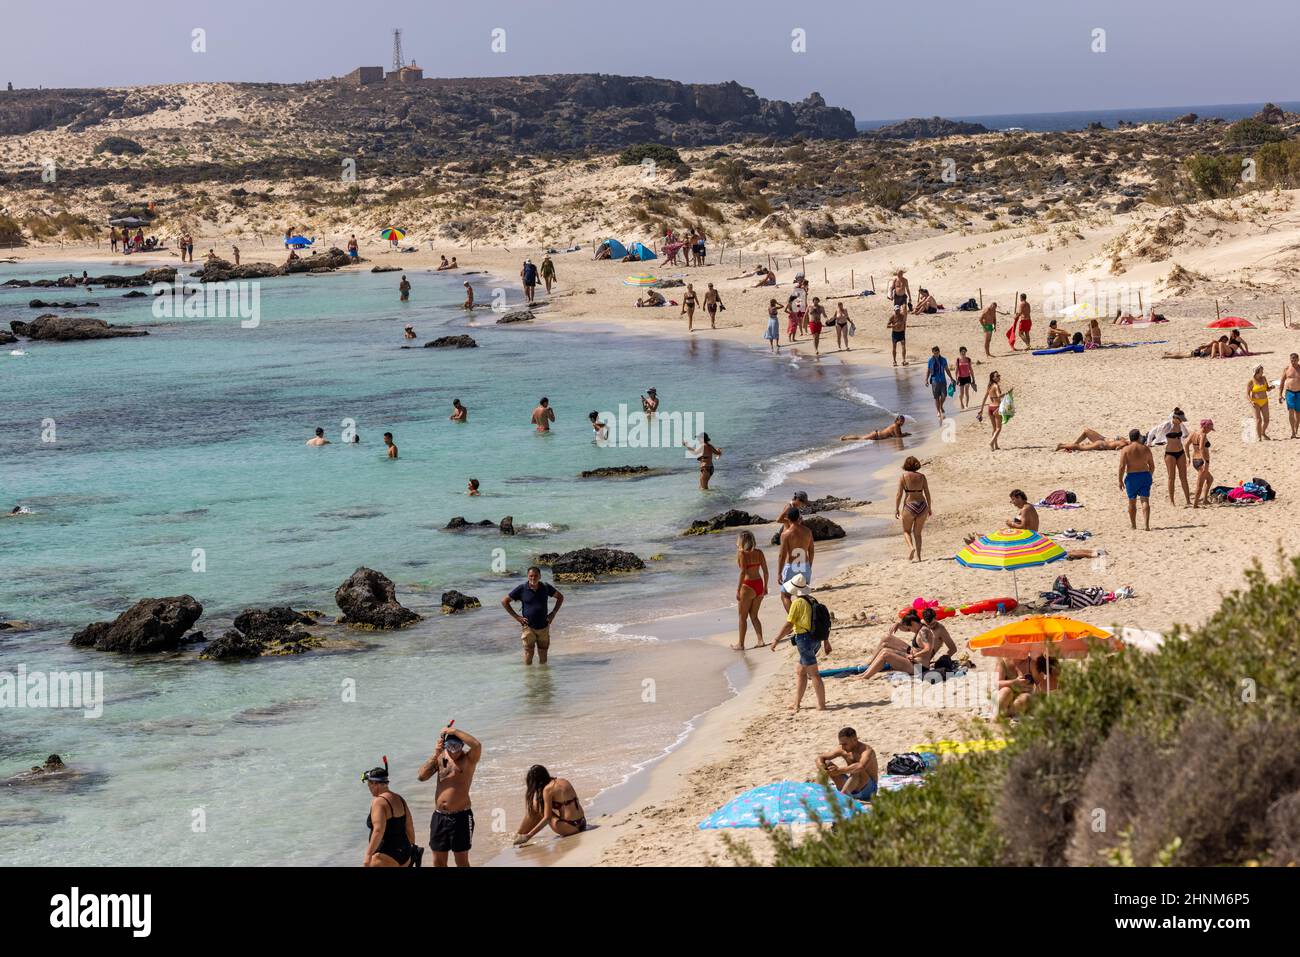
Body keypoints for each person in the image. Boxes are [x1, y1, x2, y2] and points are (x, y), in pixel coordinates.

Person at [417, 726, 482, 867]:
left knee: (461, 862)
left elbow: (477, 745)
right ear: (445, 746)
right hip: (439, 816)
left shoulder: (468, 760)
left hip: (461, 817)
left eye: (457, 746)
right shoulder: (440, 759)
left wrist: (453, 731)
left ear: (462, 746)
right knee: (438, 862)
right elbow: (421, 777)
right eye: (450, 746)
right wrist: (436, 754)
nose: (453, 750)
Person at [769, 573, 830, 711]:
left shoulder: (797, 603)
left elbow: (789, 625)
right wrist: (826, 641)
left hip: (804, 640)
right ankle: (796, 703)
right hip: (816, 639)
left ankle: (821, 705)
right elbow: (823, 622)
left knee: (814, 673)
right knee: (800, 671)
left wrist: (776, 640)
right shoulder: (812, 600)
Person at [503, 566, 564, 665]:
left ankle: (543, 678)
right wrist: (517, 617)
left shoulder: (546, 587)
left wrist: (553, 613)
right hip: (528, 628)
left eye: (536, 576)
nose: (533, 578)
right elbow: (505, 601)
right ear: (527, 576)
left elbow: (560, 597)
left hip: (544, 626)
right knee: (528, 653)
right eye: (531, 576)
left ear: (540, 576)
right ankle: (529, 678)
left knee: (543, 653)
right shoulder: (522, 588)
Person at [362, 759, 418, 867]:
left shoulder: (378, 802)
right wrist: (411, 848)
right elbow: (409, 826)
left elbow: (378, 830)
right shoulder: (399, 799)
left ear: (375, 783)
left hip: (385, 856)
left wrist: (368, 855)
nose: (369, 787)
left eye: (369, 784)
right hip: (404, 853)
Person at [513, 766, 586, 845]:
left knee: (536, 805)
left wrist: (529, 836)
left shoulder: (548, 789)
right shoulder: (563, 781)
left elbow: (547, 818)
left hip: (569, 828)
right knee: (540, 806)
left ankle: (520, 834)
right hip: (582, 823)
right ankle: (521, 834)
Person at [816, 728, 878, 801]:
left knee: (857, 769)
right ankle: (817, 791)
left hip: (867, 790)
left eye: (845, 744)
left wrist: (839, 771)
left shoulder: (866, 751)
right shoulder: (842, 749)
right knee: (827, 763)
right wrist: (823, 768)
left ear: (854, 739)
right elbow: (820, 757)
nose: (843, 747)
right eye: (841, 744)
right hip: (850, 786)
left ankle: (841, 798)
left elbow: (861, 766)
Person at [733, 530, 769, 650]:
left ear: (741, 541)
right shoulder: (759, 552)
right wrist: (765, 587)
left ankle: (741, 644)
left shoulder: (742, 554)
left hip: (747, 586)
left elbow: (743, 572)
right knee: (754, 616)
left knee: (742, 617)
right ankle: (760, 640)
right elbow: (765, 571)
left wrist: (738, 590)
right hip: (759, 584)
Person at [776, 508, 815, 609]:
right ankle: (805, 619)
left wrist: (779, 573)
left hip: (792, 566)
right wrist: (809, 565)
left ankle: (794, 620)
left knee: (785, 595)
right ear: (799, 518)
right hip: (804, 565)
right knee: (802, 594)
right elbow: (811, 551)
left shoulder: (786, 534)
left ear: (788, 519)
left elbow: (782, 555)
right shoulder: (808, 531)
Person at [895, 456, 932, 562]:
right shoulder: (922, 477)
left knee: (906, 531)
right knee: (918, 533)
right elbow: (927, 493)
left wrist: (896, 509)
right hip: (922, 505)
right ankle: (919, 557)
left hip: (909, 505)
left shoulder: (903, 476)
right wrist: (929, 507)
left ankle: (911, 548)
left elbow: (899, 494)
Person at [1118, 428, 1155, 530]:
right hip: (1144, 475)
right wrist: (1149, 475)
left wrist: (1120, 480)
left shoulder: (1125, 450)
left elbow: (1122, 466)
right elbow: (1152, 465)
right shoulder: (1145, 449)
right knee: (1145, 500)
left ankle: (1133, 525)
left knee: (1132, 502)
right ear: (1138, 437)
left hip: (1132, 477)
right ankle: (1147, 525)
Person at [1161, 409, 1191, 506]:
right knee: (1171, 477)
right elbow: (1155, 431)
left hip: (1180, 452)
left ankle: (1188, 500)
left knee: (1184, 477)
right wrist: (1150, 442)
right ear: (1174, 418)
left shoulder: (1181, 425)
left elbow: (1186, 434)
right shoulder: (1167, 425)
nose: (1182, 421)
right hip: (1170, 453)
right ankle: (1172, 500)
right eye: (1180, 419)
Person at [977, 371, 1008, 451]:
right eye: (997, 376)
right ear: (993, 378)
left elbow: (984, 398)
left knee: (994, 428)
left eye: (999, 376)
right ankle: (991, 442)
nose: (999, 377)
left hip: (990, 408)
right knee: (998, 429)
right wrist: (1007, 393)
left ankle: (995, 445)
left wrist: (981, 410)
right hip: (997, 408)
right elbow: (998, 396)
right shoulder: (996, 386)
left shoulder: (989, 386)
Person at [1189, 419, 1215, 508]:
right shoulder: (1203, 435)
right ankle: (1195, 505)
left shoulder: (1193, 433)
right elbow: (1201, 448)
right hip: (1201, 462)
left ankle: (1204, 500)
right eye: (1210, 429)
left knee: (1210, 479)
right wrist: (1205, 461)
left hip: (1195, 460)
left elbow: (1185, 444)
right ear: (1205, 427)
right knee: (1199, 484)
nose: (1210, 431)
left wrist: (1188, 457)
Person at [926, 346, 955, 421]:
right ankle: (938, 411)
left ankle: (941, 405)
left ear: (939, 352)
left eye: (937, 352)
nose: (936, 354)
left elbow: (947, 369)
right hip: (934, 381)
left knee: (944, 395)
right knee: (936, 398)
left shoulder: (943, 360)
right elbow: (928, 370)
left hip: (942, 380)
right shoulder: (930, 361)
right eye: (934, 353)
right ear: (933, 353)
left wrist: (951, 378)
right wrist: (926, 379)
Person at [840, 415, 909, 442]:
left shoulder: (897, 426)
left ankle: (846, 438)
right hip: (876, 435)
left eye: (903, 421)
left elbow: (898, 435)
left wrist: (904, 434)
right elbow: (898, 436)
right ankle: (845, 438)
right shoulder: (895, 426)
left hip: (877, 435)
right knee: (860, 438)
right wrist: (906, 434)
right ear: (897, 421)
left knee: (860, 438)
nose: (902, 422)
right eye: (901, 421)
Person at [1248, 365, 1272, 441]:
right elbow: (1247, 394)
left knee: (1267, 420)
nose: (1263, 372)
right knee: (1259, 420)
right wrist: (1251, 401)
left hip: (1265, 401)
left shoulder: (1264, 378)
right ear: (1256, 372)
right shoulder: (1251, 382)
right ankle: (1259, 437)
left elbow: (1267, 388)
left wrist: (1271, 388)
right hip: (1255, 402)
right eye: (1261, 371)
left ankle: (1263, 432)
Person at [1054, 428, 1127, 452]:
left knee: (1087, 431)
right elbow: (1117, 448)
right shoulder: (1125, 444)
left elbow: (1118, 437)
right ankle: (1062, 446)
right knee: (1080, 448)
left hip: (1104, 439)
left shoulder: (1124, 440)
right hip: (1102, 445)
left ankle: (1071, 446)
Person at [1280, 353, 1300, 439]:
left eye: (1295, 360)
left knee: (1298, 414)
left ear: (1298, 359)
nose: (1293, 361)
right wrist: (1279, 394)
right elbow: (1282, 382)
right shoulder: (1287, 369)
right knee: (1291, 412)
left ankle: (1296, 430)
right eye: (1292, 360)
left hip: (1299, 393)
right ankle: (1293, 432)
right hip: (1289, 393)